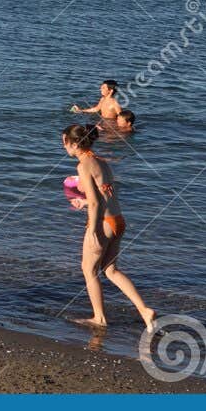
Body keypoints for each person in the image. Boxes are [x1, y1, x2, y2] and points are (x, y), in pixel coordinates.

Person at [62, 123, 156, 330]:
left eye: (64, 142)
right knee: (111, 270)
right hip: (118, 220)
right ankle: (144, 310)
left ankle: (99, 318)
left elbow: (96, 203)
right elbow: (106, 196)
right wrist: (84, 202)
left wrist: (93, 230)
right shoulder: (101, 162)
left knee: (88, 269)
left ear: (70, 142)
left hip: (103, 224)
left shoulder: (83, 165)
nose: (64, 146)